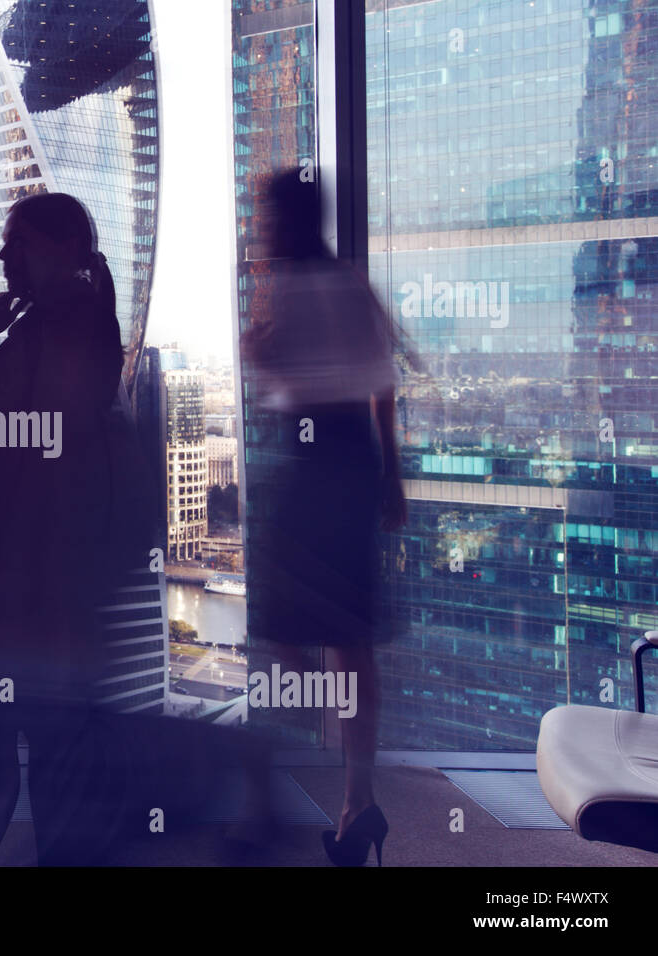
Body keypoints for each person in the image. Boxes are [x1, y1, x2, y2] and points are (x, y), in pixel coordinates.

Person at [0, 192, 144, 866]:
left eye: (16, 242)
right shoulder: (62, 323)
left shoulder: (63, 328)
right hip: (41, 577)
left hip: (35, 580)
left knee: (17, 741)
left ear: (57, 250)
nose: (3, 255)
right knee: (36, 744)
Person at [240, 166, 409, 866]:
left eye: (263, 217)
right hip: (352, 459)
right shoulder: (348, 282)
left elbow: (265, 366)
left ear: (284, 221)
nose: (258, 228)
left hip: (311, 464)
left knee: (276, 630)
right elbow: (382, 385)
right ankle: (356, 802)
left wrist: (258, 322)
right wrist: (391, 478)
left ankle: (264, 806)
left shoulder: (294, 288)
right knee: (351, 641)